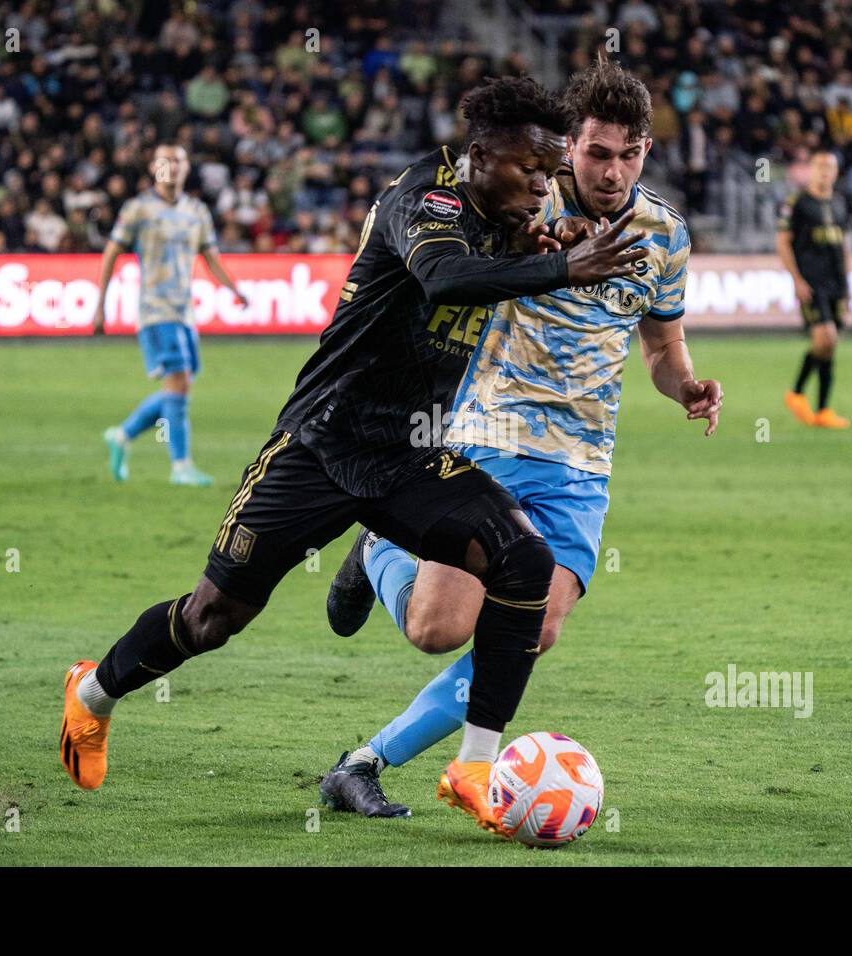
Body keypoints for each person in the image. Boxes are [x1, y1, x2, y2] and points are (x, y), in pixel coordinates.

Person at [59, 77, 647, 834]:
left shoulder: (506, 210)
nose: (543, 188)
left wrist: (543, 239)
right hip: (321, 444)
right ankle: (92, 695)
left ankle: (473, 767)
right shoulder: (424, 196)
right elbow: (445, 277)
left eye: (548, 174)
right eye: (529, 172)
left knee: (524, 564)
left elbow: (505, 246)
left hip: (410, 455)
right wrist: (560, 264)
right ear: (476, 156)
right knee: (212, 619)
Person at [319, 58, 723, 818]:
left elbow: (663, 349)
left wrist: (687, 388)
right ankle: (380, 547)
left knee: (532, 631)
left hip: (581, 463)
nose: (611, 170)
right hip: (490, 434)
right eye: (597, 152)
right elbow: (448, 262)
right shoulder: (519, 201)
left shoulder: (666, 234)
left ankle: (365, 763)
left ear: (646, 152)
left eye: (629, 154)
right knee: (439, 631)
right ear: (570, 144)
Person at [93, 143, 248, 487]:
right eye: (165, 160)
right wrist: (100, 304)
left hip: (184, 312)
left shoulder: (197, 211)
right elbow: (110, 254)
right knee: (177, 381)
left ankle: (122, 435)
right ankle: (180, 466)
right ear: (153, 168)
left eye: (178, 160)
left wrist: (234, 290)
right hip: (155, 309)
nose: (172, 166)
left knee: (180, 386)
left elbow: (211, 258)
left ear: (186, 167)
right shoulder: (138, 209)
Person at [780, 150, 852, 429]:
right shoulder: (797, 203)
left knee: (830, 346)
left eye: (830, 167)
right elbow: (783, 242)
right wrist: (796, 280)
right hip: (811, 282)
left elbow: (844, 245)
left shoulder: (838, 204)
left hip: (836, 282)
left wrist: (847, 282)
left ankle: (823, 410)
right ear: (810, 170)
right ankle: (796, 392)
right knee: (826, 339)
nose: (825, 171)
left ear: (835, 172)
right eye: (820, 166)